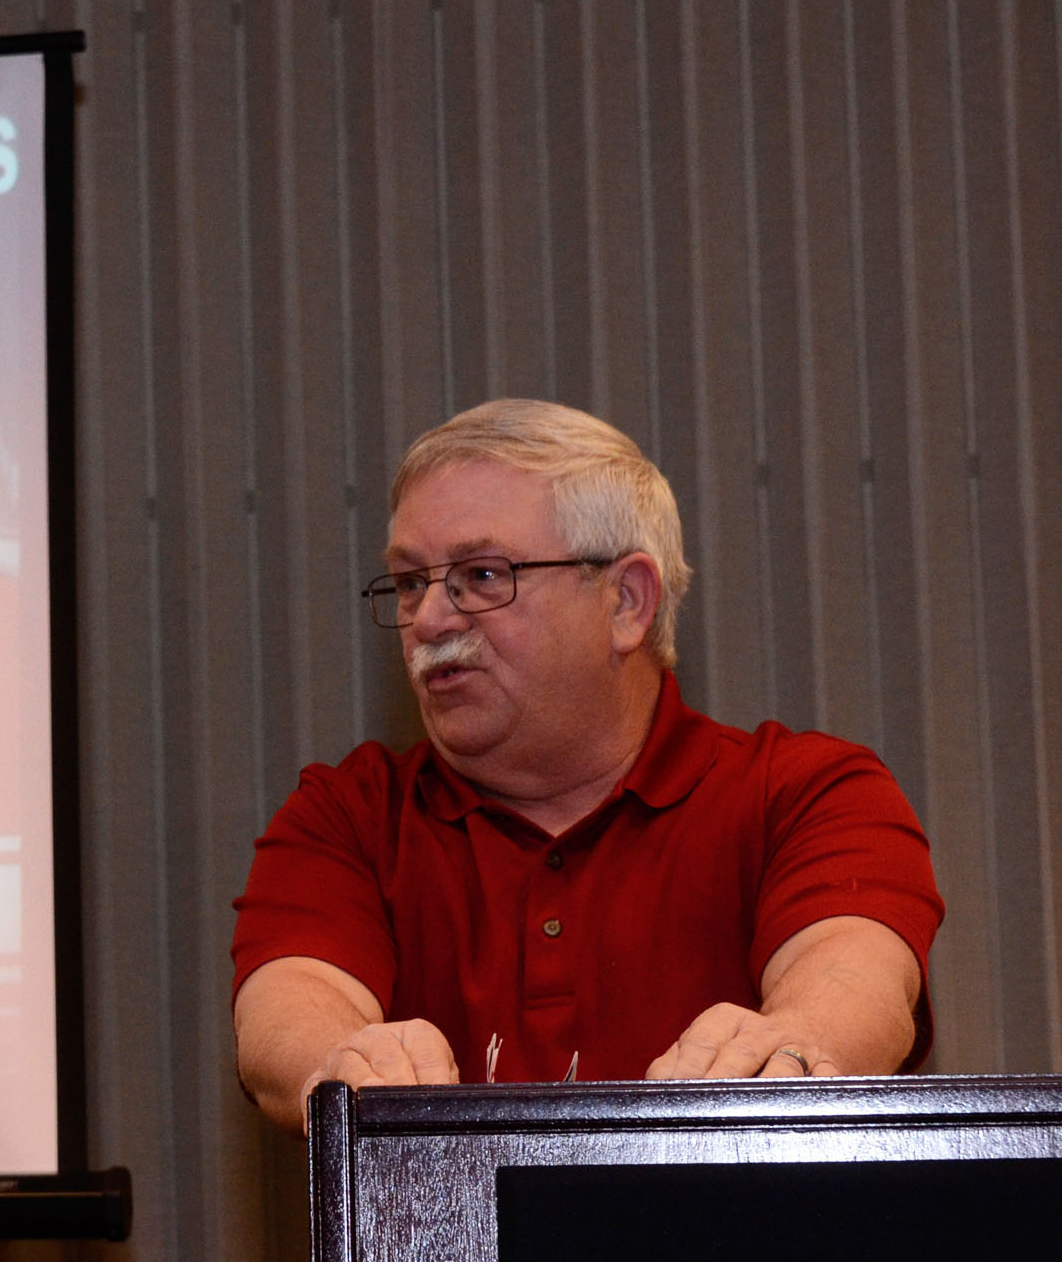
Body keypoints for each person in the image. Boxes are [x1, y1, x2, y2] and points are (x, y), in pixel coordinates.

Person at [230, 399, 943, 1137]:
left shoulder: (807, 792)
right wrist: (341, 1064)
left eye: (480, 575)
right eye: (411, 583)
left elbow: (852, 980)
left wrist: (792, 1045)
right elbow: (290, 1010)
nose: (430, 621)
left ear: (627, 602)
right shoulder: (349, 815)